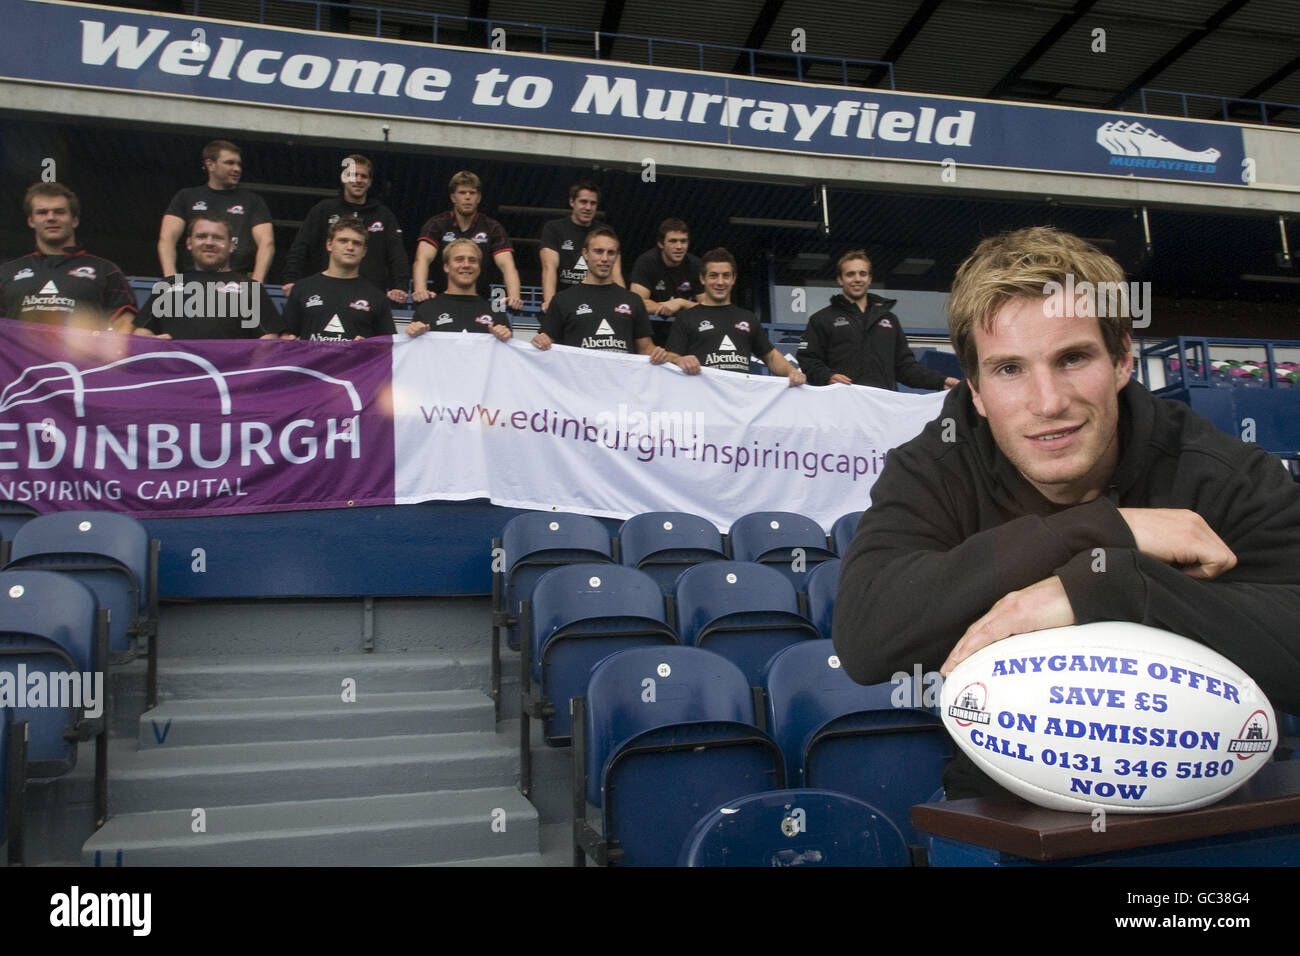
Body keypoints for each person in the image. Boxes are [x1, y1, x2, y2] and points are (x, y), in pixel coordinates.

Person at [832, 226, 1300, 799]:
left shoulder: (1220, 472)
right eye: (1009, 369)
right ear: (975, 389)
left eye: (1073, 358)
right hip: (1009, 816)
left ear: (1124, 359)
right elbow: (866, 639)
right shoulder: (935, 468)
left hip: (1223, 816)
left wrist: (1109, 587)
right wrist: (1100, 528)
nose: (1048, 402)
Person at [798, 250, 959, 391]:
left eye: (862, 273)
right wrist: (828, 376)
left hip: (882, 409)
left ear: (869, 278)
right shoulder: (821, 319)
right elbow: (807, 360)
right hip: (842, 407)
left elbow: (905, 368)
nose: (857, 279)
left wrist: (940, 381)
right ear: (840, 280)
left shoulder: (889, 319)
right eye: (850, 274)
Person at [0, 183, 137, 332]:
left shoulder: (106, 271)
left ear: (74, 220)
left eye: (59, 212)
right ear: (31, 221)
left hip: (81, 355)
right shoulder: (6, 272)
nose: (51, 218)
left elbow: (125, 325)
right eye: (42, 212)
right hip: (19, 356)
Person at [664, 248, 804, 386]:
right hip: (704, 400)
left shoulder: (748, 317)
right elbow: (670, 357)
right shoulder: (686, 317)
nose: (720, 282)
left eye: (726, 275)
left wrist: (792, 372)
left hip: (740, 402)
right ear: (702, 279)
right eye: (713, 276)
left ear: (733, 279)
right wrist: (680, 360)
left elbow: (771, 356)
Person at [282, 154, 409, 305]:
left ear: (369, 182)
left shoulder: (384, 215)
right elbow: (301, 246)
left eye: (364, 176)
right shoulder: (324, 209)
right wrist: (291, 279)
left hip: (368, 297)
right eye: (353, 175)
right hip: (324, 293)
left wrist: (400, 286)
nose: (358, 180)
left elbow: (397, 255)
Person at [531, 226, 664, 363]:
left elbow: (646, 349)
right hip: (578, 382)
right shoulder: (562, 300)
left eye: (611, 253)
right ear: (585, 253)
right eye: (598, 252)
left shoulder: (633, 300)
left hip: (621, 382)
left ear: (617, 257)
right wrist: (540, 341)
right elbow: (546, 344)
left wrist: (671, 358)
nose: (605, 258)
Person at [136, 214, 278, 339]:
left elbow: (269, 339)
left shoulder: (251, 289)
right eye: (201, 236)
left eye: (218, 238)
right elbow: (140, 334)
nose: (209, 242)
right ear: (189, 243)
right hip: (175, 369)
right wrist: (152, 343)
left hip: (230, 370)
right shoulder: (168, 286)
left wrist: (251, 369)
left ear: (231, 245)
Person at [159, 140, 274, 281]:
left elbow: (266, 242)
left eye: (239, 164)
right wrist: (170, 278)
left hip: (237, 280)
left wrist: (256, 282)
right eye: (230, 163)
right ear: (210, 164)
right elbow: (167, 238)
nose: (237, 169)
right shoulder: (186, 196)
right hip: (191, 280)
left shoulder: (253, 201)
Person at [267, 217, 395, 341]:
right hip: (311, 363)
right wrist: (287, 339)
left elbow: (388, 347)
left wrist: (367, 348)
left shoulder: (377, 297)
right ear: (329, 244)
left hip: (353, 363)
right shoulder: (303, 288)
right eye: (343, 241)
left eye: (357, 243)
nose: (350, 247)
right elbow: (286, 336)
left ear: (364, 251)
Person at [411, 171, 521, 309]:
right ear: (453, 197)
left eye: (472, 193)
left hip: (480, 300)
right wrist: (420, 289)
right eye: (462, 193)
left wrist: (514, 295)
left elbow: (507, 265)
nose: (467, 197)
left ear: (479, 197)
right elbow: (422, 259)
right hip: (440, 299)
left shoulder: (492, 227)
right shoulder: (437, 224)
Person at [539, 181, 624, 312]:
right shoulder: (554, 228)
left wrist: (624, 304)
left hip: (596, 302)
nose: (588, 207)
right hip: (563, 301)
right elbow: (549, 267)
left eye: (593, 203)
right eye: (583, 202)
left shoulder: (605, 231)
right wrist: (550, 301)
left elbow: (615, 271)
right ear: (572, 202)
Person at [406, 239, 511, 341]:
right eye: (459, 259)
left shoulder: (496, 312)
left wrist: (506, 338)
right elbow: (414, 354)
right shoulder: (427, 309)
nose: (466, 265)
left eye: (472, 260)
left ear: (479, 268)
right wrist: (412, 335)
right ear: (446, 267)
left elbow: (509, 355)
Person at [629, 218, 701, 317]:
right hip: (652, 325)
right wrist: (665, 308)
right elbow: (636, 303)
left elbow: (708, 307)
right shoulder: (646, 262)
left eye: (683, 241)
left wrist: (681, 303)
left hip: (685, 327)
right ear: (661, 244)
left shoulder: (695, 264)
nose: (679, 246)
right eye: (673, 241)